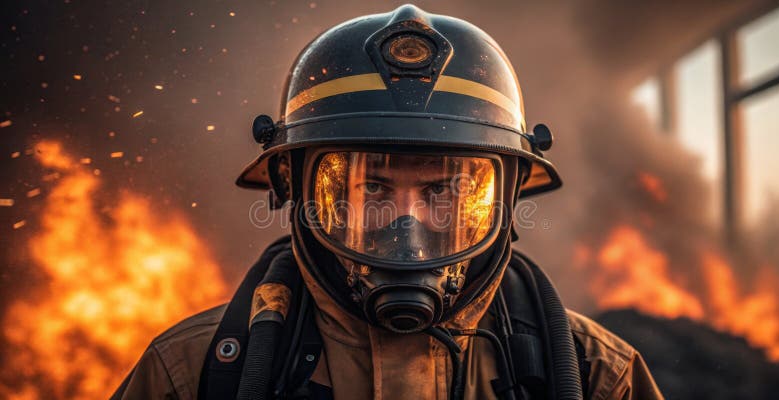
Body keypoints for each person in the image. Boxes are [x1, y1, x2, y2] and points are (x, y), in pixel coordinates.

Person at [113, 5, 664, 400]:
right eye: (370, 188)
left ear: (507, 198)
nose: (408, 227)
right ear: (293, 186)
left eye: (444, 190)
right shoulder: (190, 374)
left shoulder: (595, 376)